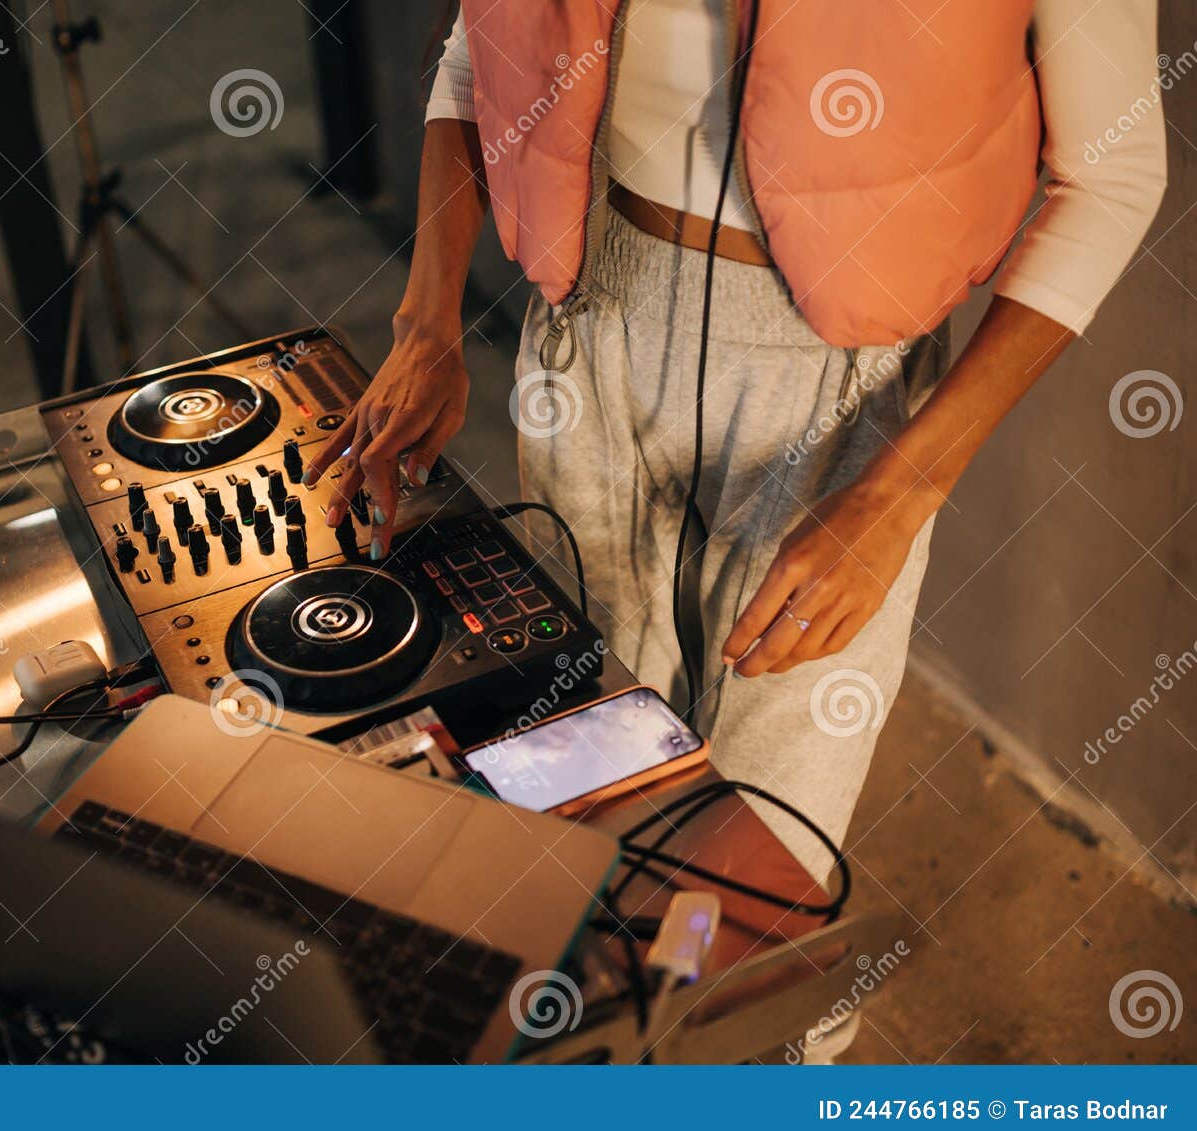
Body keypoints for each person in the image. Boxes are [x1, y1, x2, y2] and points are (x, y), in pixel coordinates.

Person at [305, 0, 1166, 884]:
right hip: (590, 322)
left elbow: (1114, 178)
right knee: (575, 778)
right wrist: (427, 315)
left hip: (829, 390)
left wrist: (899, 493)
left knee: (761, 848)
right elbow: (478, 49)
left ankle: (777, 1020)